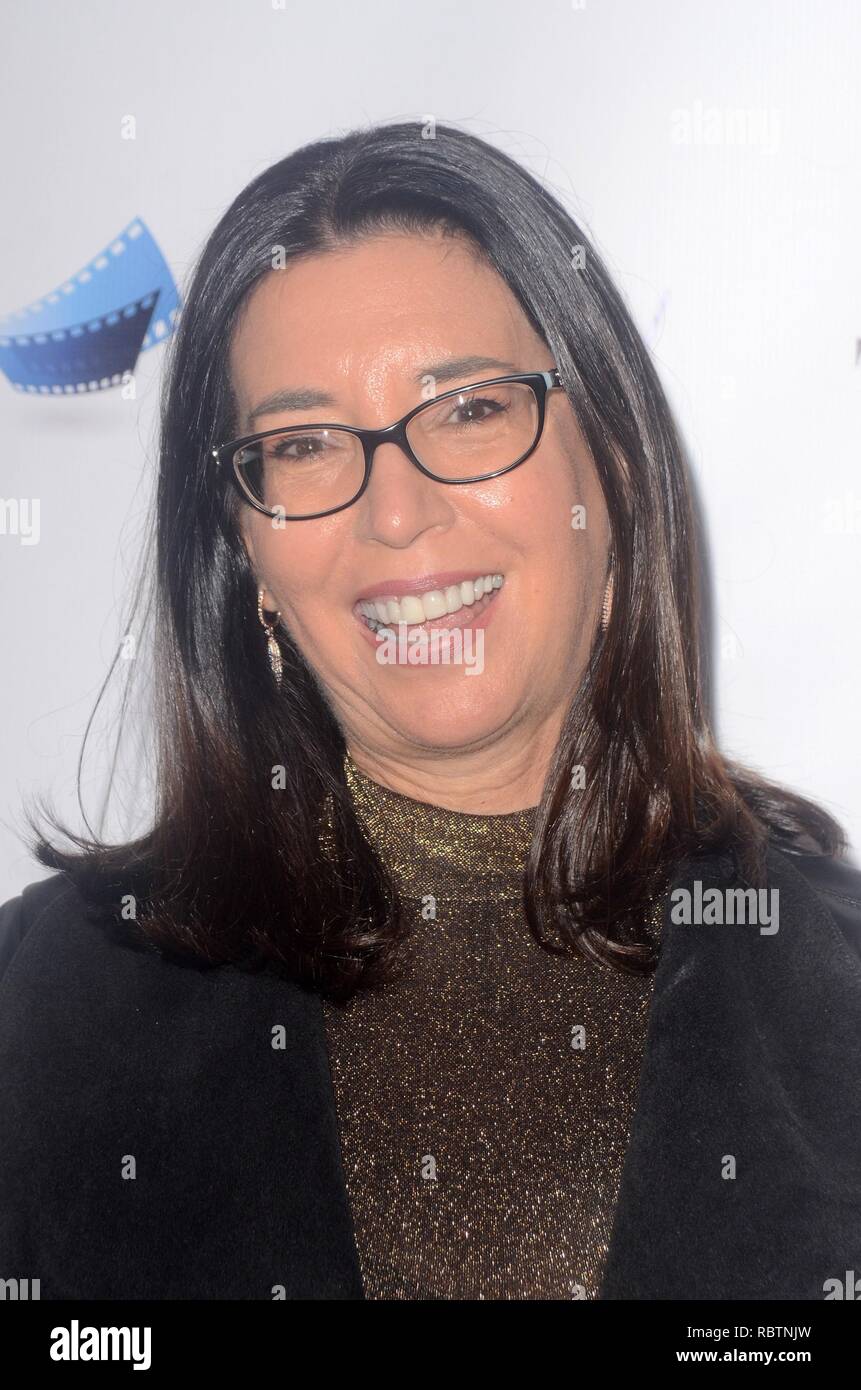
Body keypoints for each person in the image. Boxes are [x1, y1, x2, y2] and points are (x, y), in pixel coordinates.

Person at [1, 121, 859, 1301]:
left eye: (467, 410)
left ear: (610, 470)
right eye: (303, 444)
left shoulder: (842, 991)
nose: (395, 514)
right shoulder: (37, 1013)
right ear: (246, 552)